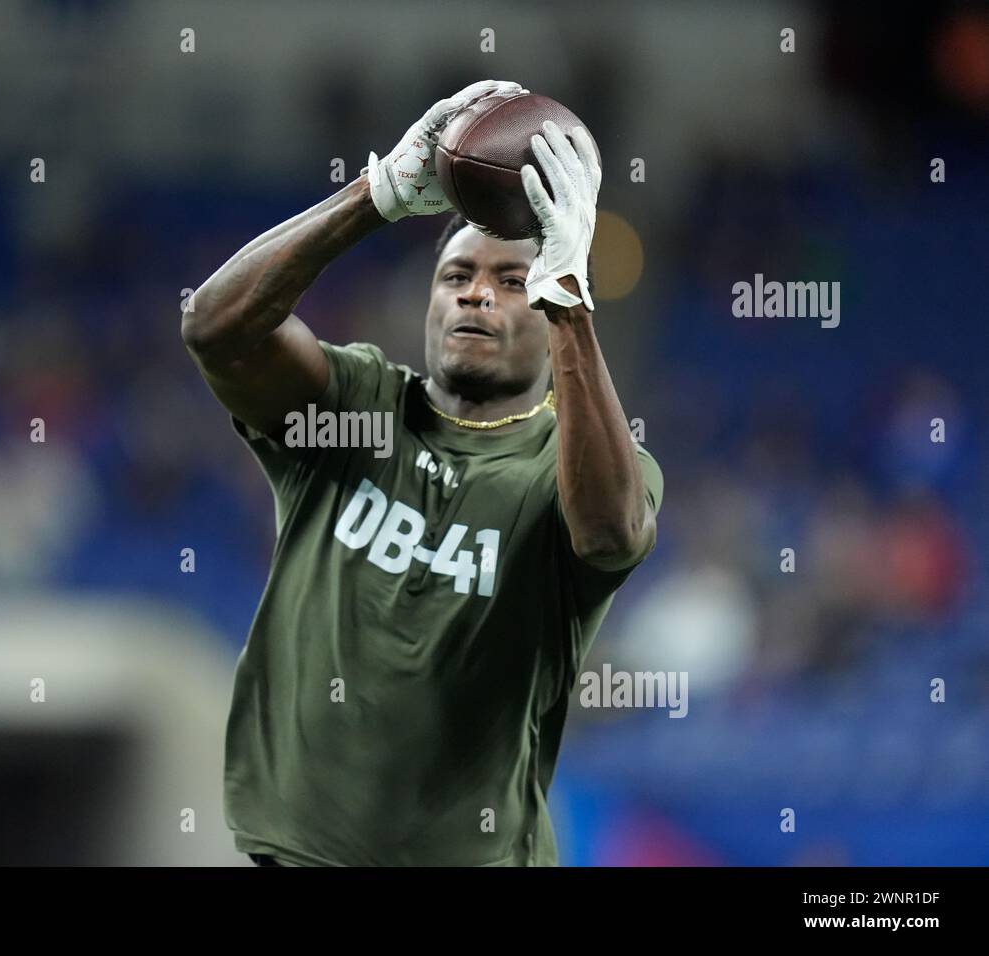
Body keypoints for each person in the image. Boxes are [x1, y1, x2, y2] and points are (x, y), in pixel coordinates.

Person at [181, 80, 662, 866]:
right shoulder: (352, 406)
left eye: (513, 282)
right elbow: (214, 330)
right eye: (455, 276)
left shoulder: (576, 464)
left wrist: (571, 302)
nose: (476, 294)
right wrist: (378, 194)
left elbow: (609, 531)